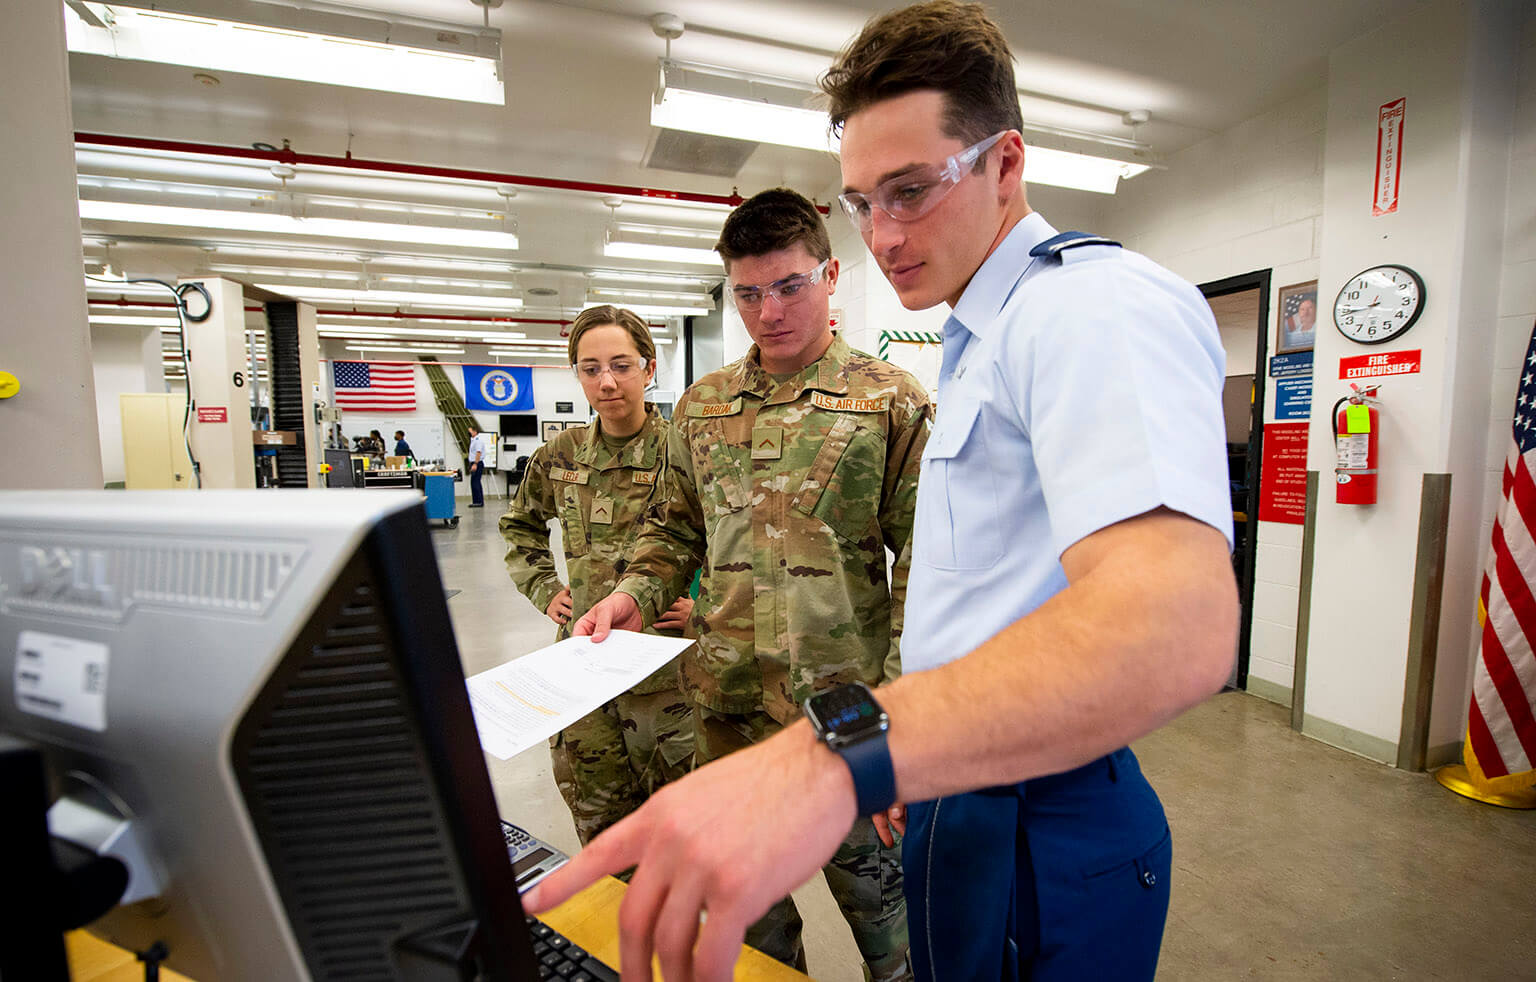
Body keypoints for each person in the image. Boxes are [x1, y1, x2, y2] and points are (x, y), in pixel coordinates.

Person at [524, 4, 1238, 981]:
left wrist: (852, 747)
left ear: (1005, 163)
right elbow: (954, 589)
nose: (885, 234)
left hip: (1028, 799)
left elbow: (1173, 628)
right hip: (943, 769)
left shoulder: (1087, 306)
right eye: (863, 201)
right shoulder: (984, 338)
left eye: (910, 191)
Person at [544, 187, 930, 979]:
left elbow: (929, 566)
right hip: (726, 715)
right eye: (748, 294)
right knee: (750, 930)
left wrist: (902, 708)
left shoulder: (888, 400)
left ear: (829, 274)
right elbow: (672, 530)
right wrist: (632, 596)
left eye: (788, 286)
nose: (769, 312)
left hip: (846, 715)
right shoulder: (704, 407)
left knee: (890, 925)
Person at [499, 305, 697, 846]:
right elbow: (519, 526)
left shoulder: (685, 451)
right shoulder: (560, 456)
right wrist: (545, 589)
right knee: (603, 829)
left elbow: (730, 539)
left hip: (666, 674)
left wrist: (703, 607)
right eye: (590, 369)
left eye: (621, 365)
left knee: (684, 835)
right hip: (584, 666)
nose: (607, 382)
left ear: (648, 368)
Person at [466, 423, 487, 507]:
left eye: (470, 431)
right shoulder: (474, 440)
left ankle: (478, 502)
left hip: (477, 463)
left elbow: (478, 453)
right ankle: (476, 501)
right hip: (475, 463)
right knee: (474, 482)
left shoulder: (478, 441)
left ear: (475, 431)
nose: (468, 433)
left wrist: (475, 464)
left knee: (475, 483)